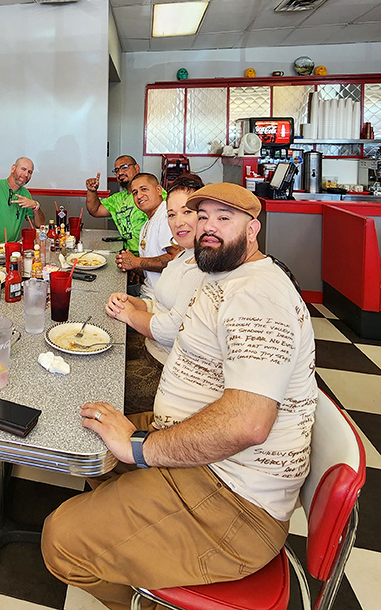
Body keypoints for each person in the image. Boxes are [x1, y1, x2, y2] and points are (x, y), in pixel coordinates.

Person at [42, 183, 317, 610]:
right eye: (202, 216)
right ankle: (137, 546)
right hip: (207, 457)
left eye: (224, 219)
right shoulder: (224, 275)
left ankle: (148, 599)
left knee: (60, 539)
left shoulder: (257, 294)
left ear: (253, 229)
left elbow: (248, 422)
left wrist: (140, 447)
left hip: (235, 498)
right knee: (89, 436)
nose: (207, 228)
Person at [107, 175, 205, 413]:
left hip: (171, 369)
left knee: (103, 387)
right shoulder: (184, 255)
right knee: (101, 355)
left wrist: (130, 314)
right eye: (172, 215)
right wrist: (134, 303)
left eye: (187, 212)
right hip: (153, 348)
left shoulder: (201, 266)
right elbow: (160, 303)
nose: (177, 222)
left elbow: (173, 331)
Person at [113, 172, 179, 293]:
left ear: (159, 189)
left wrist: (136, 262)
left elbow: (176, 259)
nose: (139, 196)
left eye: (144, 189)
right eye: (135, 192)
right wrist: (129, 263)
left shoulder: (165, 215)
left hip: (160, 297)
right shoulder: (147, 224)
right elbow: (148, 271)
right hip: (147, 289)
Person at [85, 155, 147, 254]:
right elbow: (95, 210)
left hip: (147, 258)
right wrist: (92, 191)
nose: (120, 172)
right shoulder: (117, 199)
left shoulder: (149, 193)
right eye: (117, 170)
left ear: (137, 168)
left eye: (124, 167)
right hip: (126, 255)